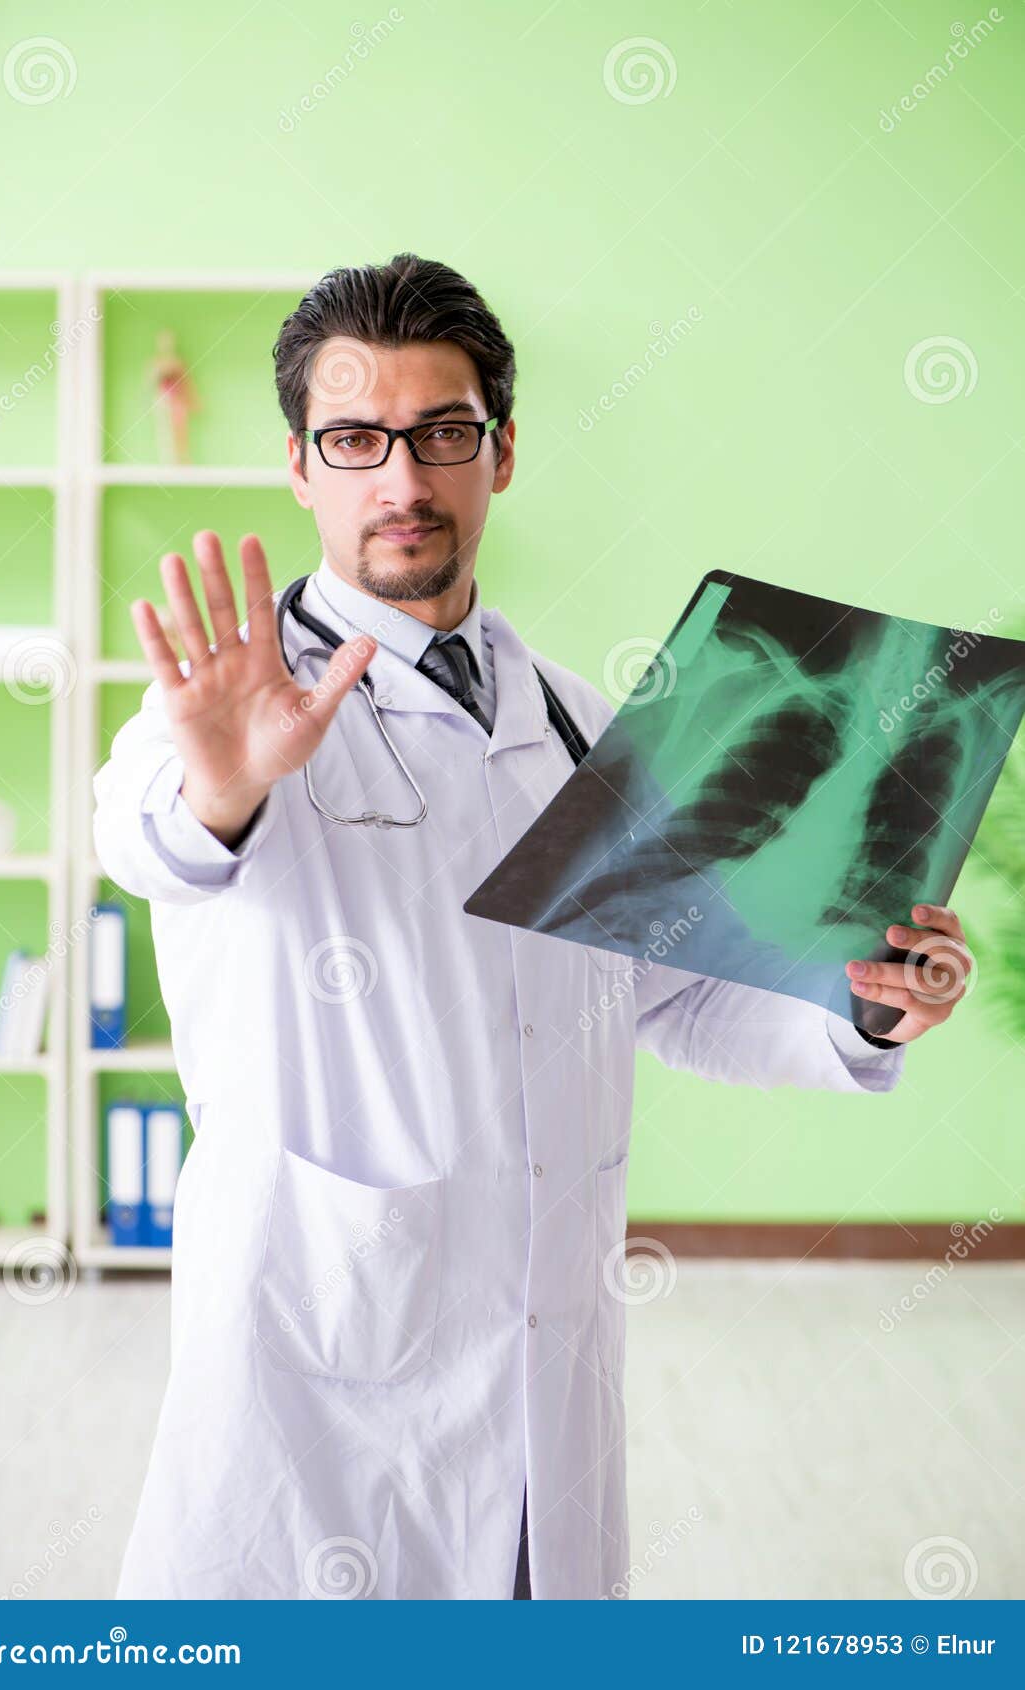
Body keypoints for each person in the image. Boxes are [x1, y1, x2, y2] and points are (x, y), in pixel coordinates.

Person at [93, 253, 973, 1600]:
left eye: (444, 433)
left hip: (540, 1362)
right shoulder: (228, 701)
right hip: (320, 1361)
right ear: (299, 466)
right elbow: (147, 831)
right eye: (356, 439)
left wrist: (861, 1002)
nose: (403, 478)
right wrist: (223, 783)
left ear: (499, 455)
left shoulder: (575, 720)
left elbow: (673, 991)